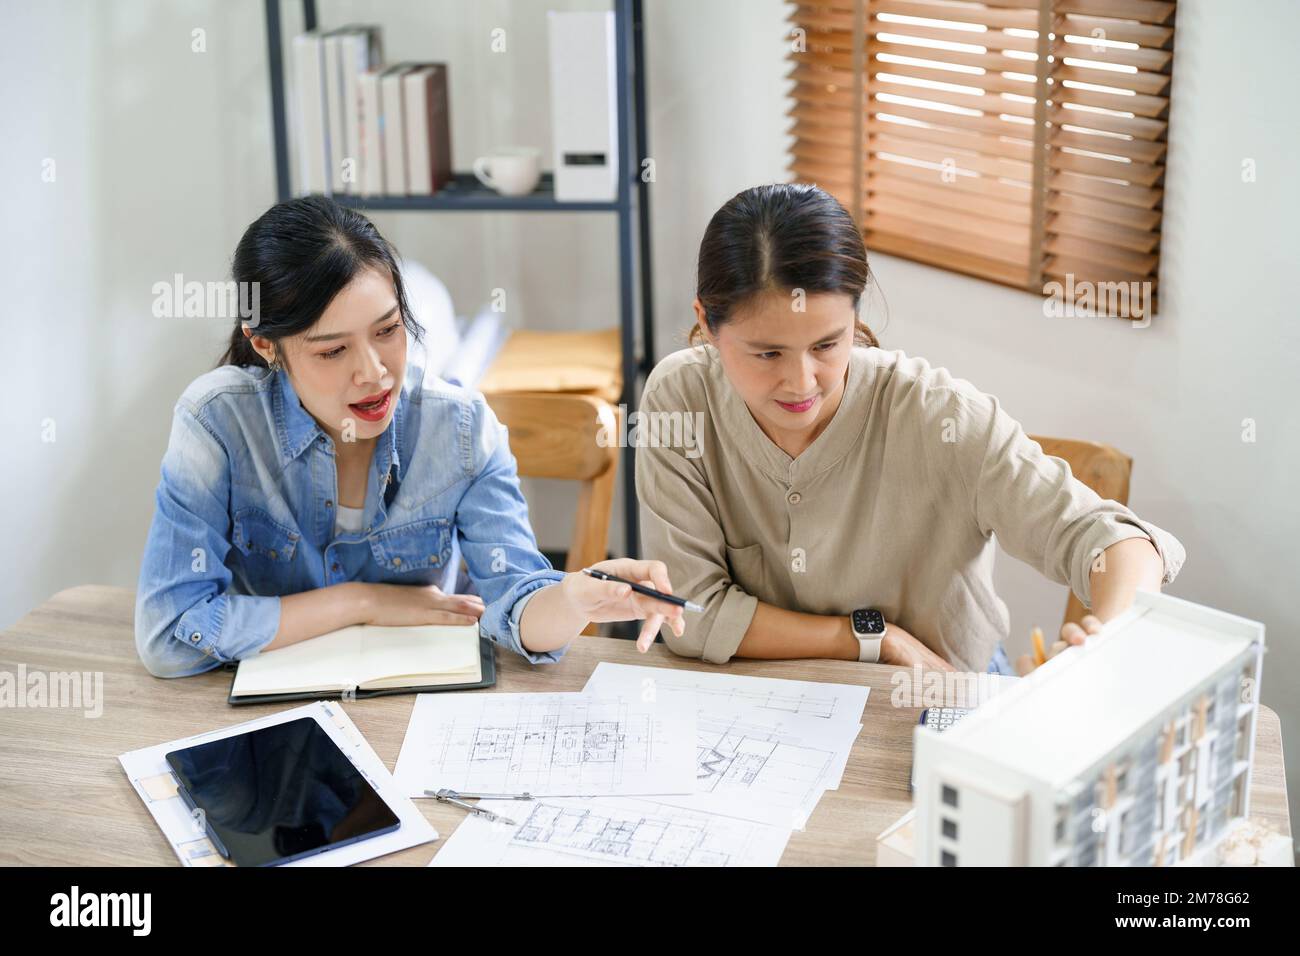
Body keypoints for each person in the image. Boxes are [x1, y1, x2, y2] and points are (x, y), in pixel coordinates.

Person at [635, 183, 1184, 675]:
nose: (801, 382)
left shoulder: (937, 415)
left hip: (942, 689)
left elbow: (1112, 539)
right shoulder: (680, 400)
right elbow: (688, 615)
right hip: (762, 695)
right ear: (706, 322)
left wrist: (1109, 638)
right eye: (767, 352)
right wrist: (874, 639)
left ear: (855, 316)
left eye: (827, 344)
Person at [135, 196, 681, 678]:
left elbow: (517, 601)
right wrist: (360, 603)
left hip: (419, 717)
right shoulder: (217, 422)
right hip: (273, 730)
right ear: (266, 347)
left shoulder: (460, 427)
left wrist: (575, 598)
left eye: (387, 331)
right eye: (332, 351)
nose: (373, 372)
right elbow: (170, 636)